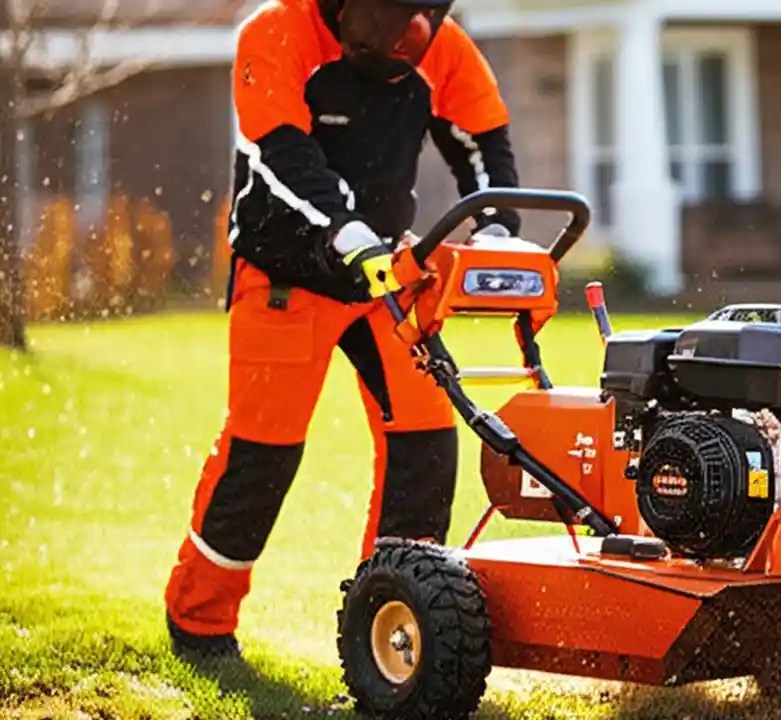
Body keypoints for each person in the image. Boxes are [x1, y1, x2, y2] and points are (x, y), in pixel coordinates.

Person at [162, 0, 521, 660]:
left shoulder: (438, 41)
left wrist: (496, 226)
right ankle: (200, 622)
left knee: (427, 444)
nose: (406, 36)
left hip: (384, 275)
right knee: (261, 455)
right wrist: (341, 225)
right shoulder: (275, 32)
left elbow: (483, 141)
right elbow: (281, 151)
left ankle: (391, 628)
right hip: (284, 274)